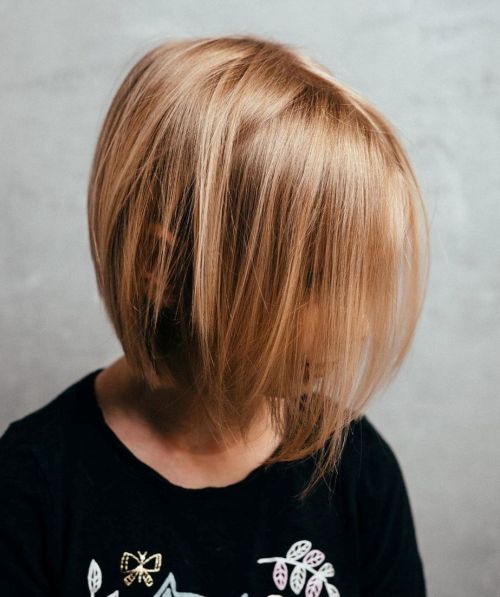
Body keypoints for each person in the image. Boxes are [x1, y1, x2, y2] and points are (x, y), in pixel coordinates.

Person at [0, 34, 430, 597]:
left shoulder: (356, 473)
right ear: (162, 264)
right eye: (319, 282)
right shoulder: (32, 488)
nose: (359, 327)